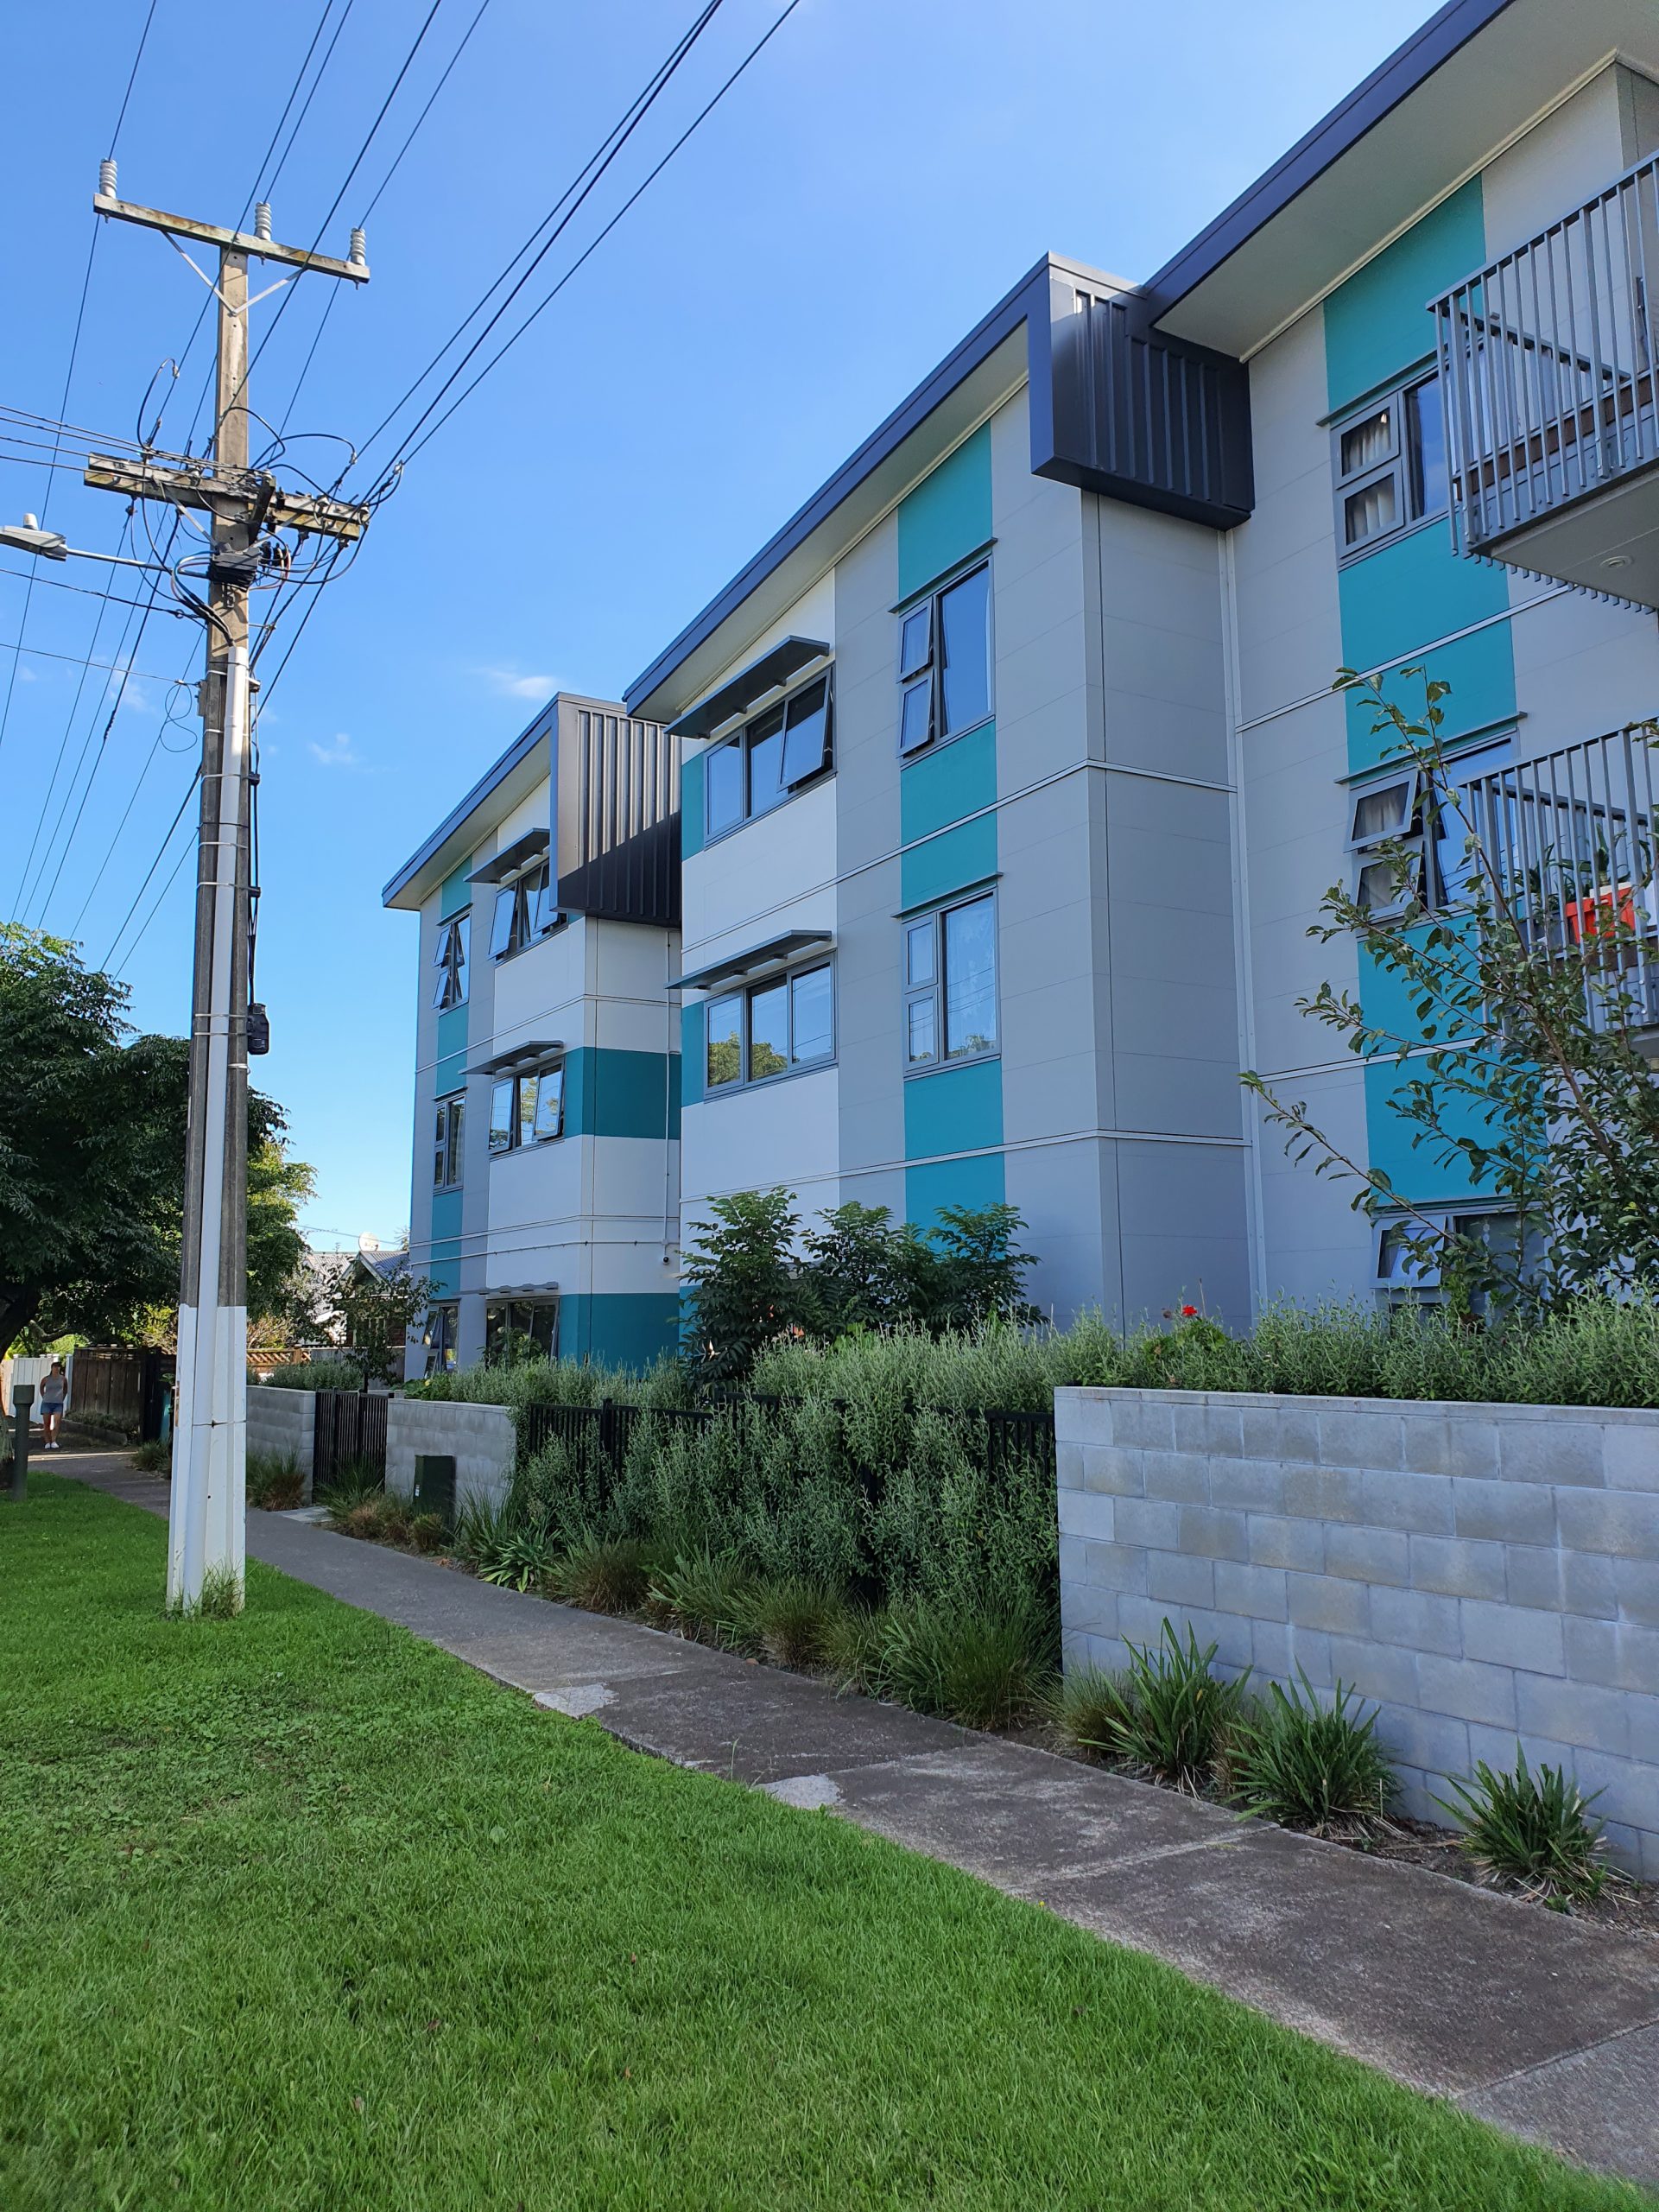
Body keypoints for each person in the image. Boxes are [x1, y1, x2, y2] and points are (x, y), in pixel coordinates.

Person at [37, 1359, 67, 1450]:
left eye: (58, 1367)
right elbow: (41, 1387)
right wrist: (44, 1396)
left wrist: (62, 1397)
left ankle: (54, 1441)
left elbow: (66, 1389)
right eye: (55, 1367)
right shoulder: (46, 1379)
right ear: (52, 1368)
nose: (56, 1369)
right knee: (46, 1423)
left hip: (58, 1403)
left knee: (57, 1422)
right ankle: (47, 1441)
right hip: (47, 1403)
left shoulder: (63, 1379)